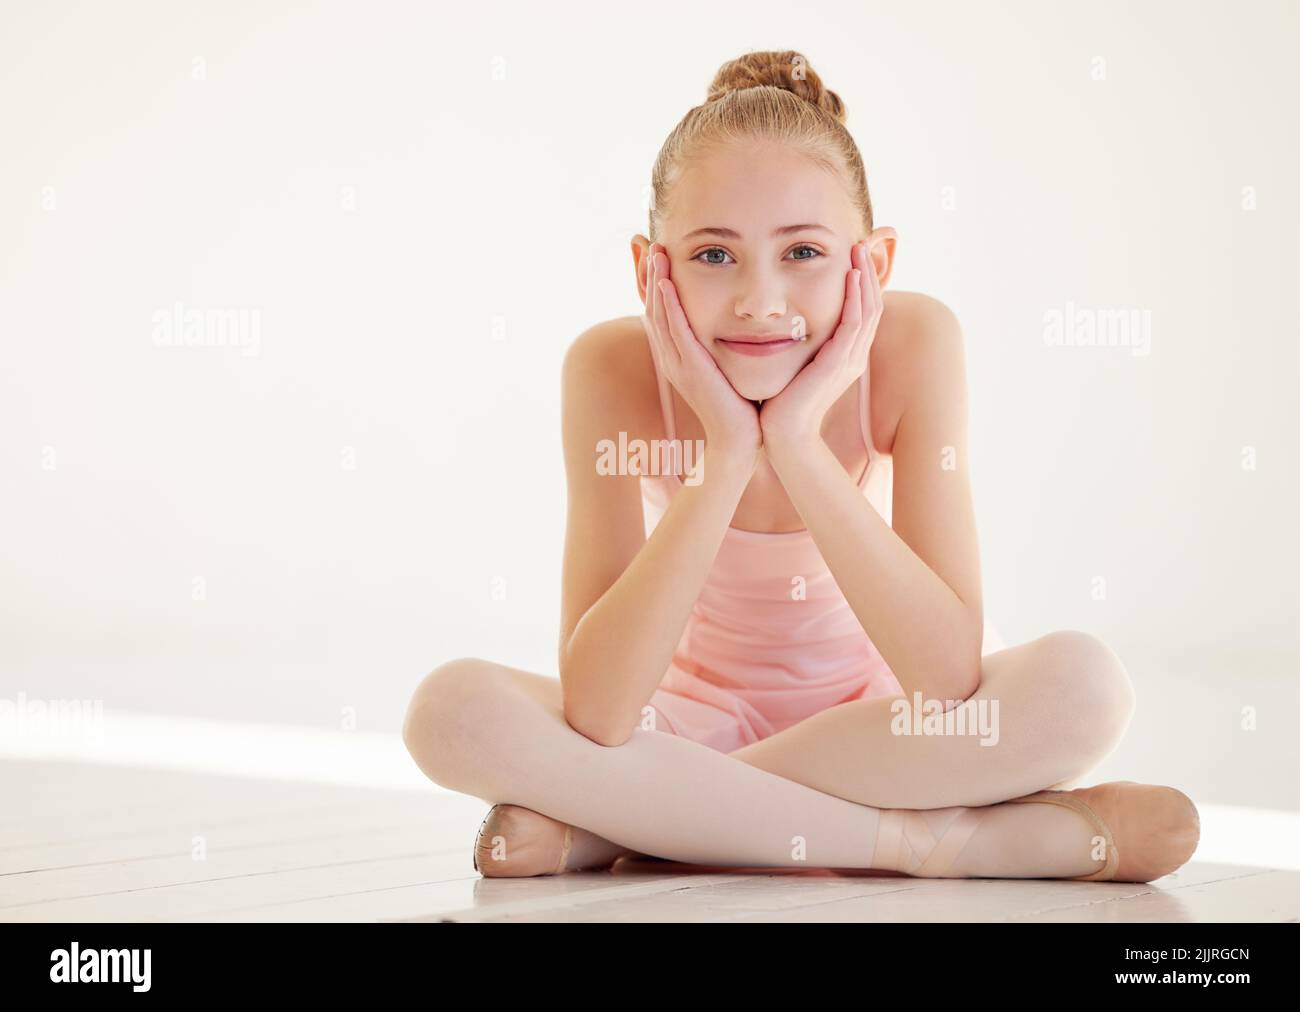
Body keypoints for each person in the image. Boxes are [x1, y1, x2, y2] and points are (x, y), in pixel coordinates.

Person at [403, 49, 1200, 882]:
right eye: (714, 255)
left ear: (874, 267)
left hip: (881, 728)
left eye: (804, 253)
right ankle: (944, 841)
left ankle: (635, 822)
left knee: (1086, 686)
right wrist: (727, 451)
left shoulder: (915, 344)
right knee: (449, 712)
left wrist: (795, 440)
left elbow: (943, 677)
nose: (760, 300)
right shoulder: (609, 369)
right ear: (651, 271)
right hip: (682, 723)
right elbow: (602, 711)